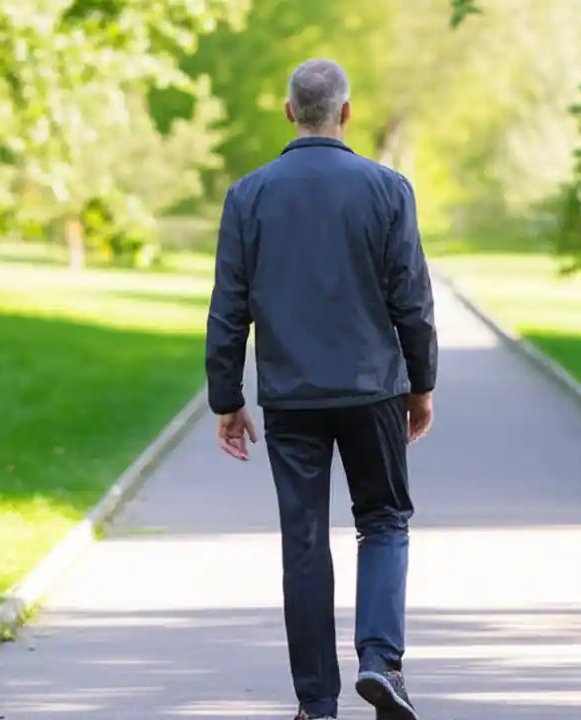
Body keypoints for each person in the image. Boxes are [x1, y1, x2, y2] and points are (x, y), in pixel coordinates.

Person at [204, 58, 438, 720]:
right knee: (385, 520)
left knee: (304, 538)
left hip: (292, 397)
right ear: (347, 113)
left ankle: (317, 704)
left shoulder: (249, 195)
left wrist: (227, 396)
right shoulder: (388, 189)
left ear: (289, 113)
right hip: (374, 393)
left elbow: (230, 306)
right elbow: (412, 302)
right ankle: (380, 661)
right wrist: (421, 386)